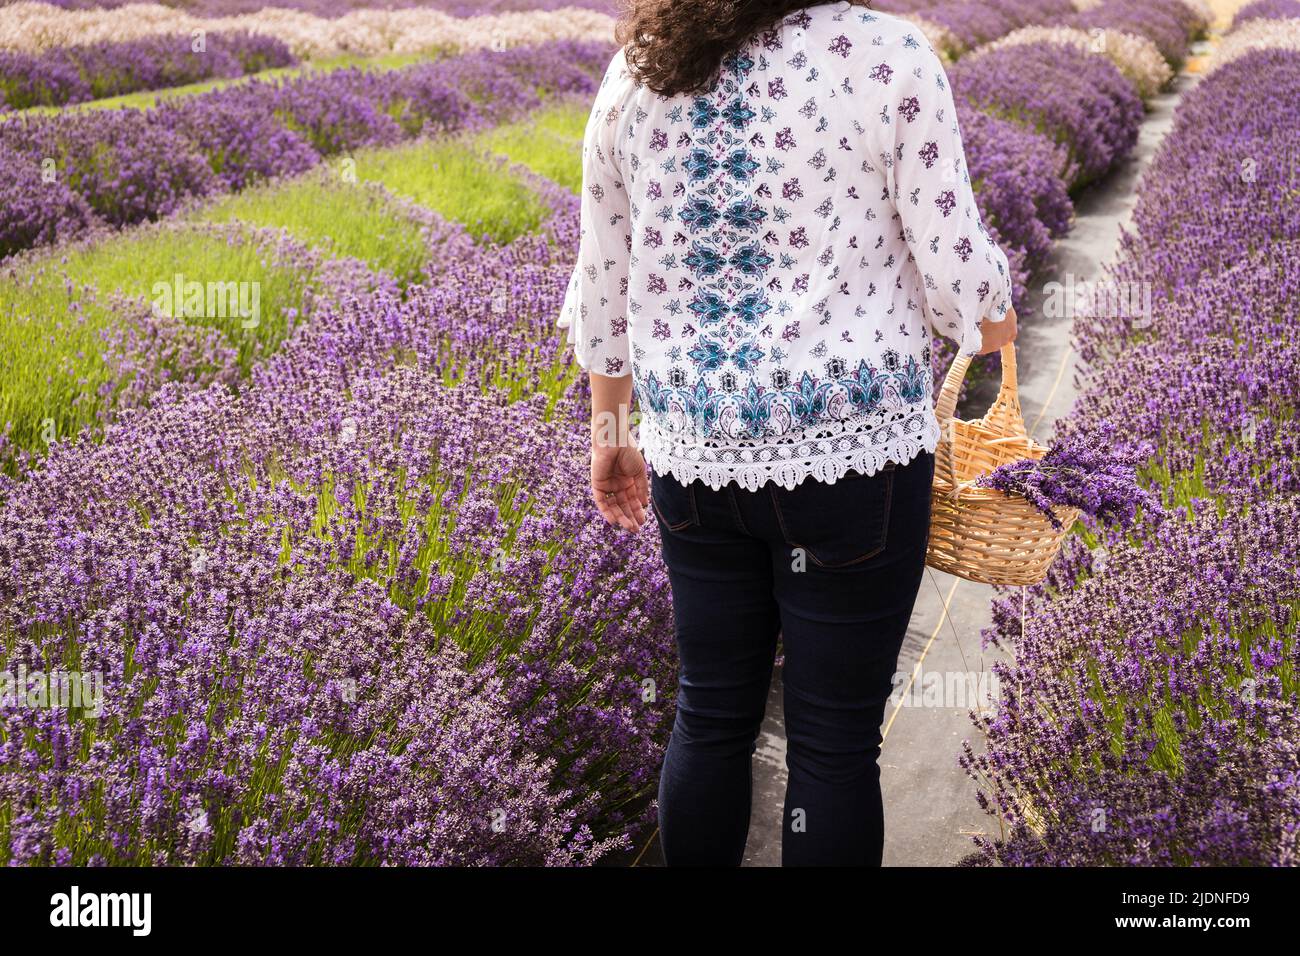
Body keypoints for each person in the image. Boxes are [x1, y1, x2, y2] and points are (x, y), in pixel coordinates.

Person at [558, 0, 1017, 866]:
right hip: (855, 467)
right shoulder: (887, 55)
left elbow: (604, 283)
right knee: (834, 746)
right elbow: (963, 281)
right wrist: (993, 327)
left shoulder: (640, 72)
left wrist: (607, 431)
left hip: (693, 462)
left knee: (710, 714)